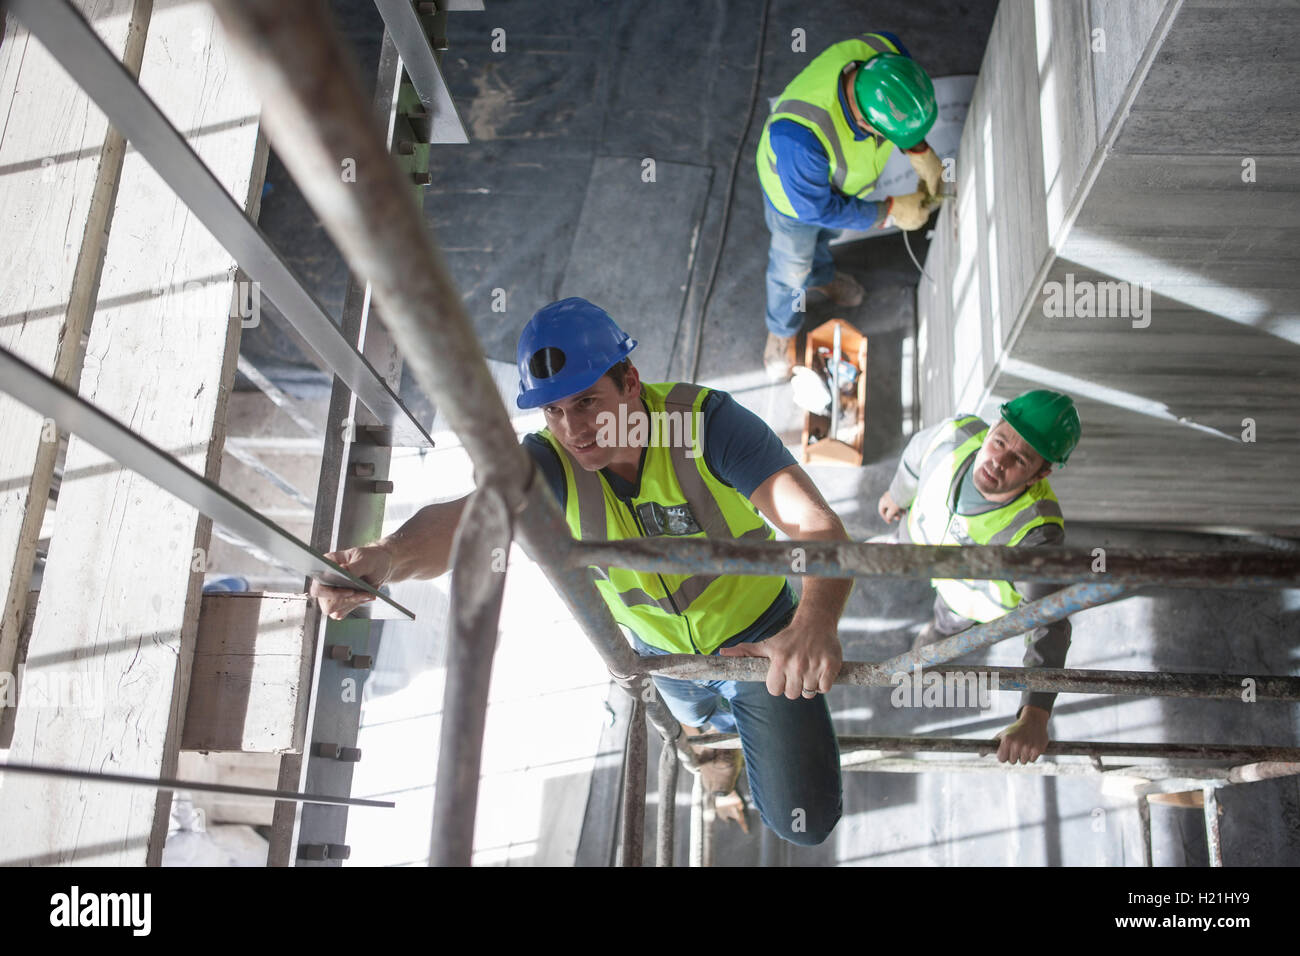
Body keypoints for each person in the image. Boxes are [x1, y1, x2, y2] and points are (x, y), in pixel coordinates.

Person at [312, 297, 853, 845]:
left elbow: (816, 524)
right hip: (662, 655)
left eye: (588, 402)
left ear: (630, 382)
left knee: (802, 819)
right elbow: (469, 522)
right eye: (553, 411)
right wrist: (387, 557)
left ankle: (745, 731)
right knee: (697, 723)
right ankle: (714, 747)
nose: (574, 429)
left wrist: (812, 625)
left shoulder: (707, 425)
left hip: (761, 640)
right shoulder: (548, 463)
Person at [876, 390, 1083, 764]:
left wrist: (1035, 715)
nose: (997, 461)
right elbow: (915, 459)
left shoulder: (1035, 534)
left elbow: (1049, 623)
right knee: (881, 555)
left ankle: (933, 643)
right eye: (999, 441)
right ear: (991, 427)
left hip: (962, 599)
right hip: (918, 540)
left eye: (1019, 459)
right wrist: (897, 494)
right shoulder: (954, 435)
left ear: (1041, 473)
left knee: (946, 624)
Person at [757, 32, 943, 380]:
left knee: (825, 239)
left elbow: (899, 105)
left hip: (832, 187)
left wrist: (920, 150)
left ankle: (822, 277)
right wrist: (889, 211)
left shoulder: (887, 53)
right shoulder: (800, 139)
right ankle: (781, 331)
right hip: (794, 202)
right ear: (866, 123)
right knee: (791, 268)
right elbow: (818, 210)